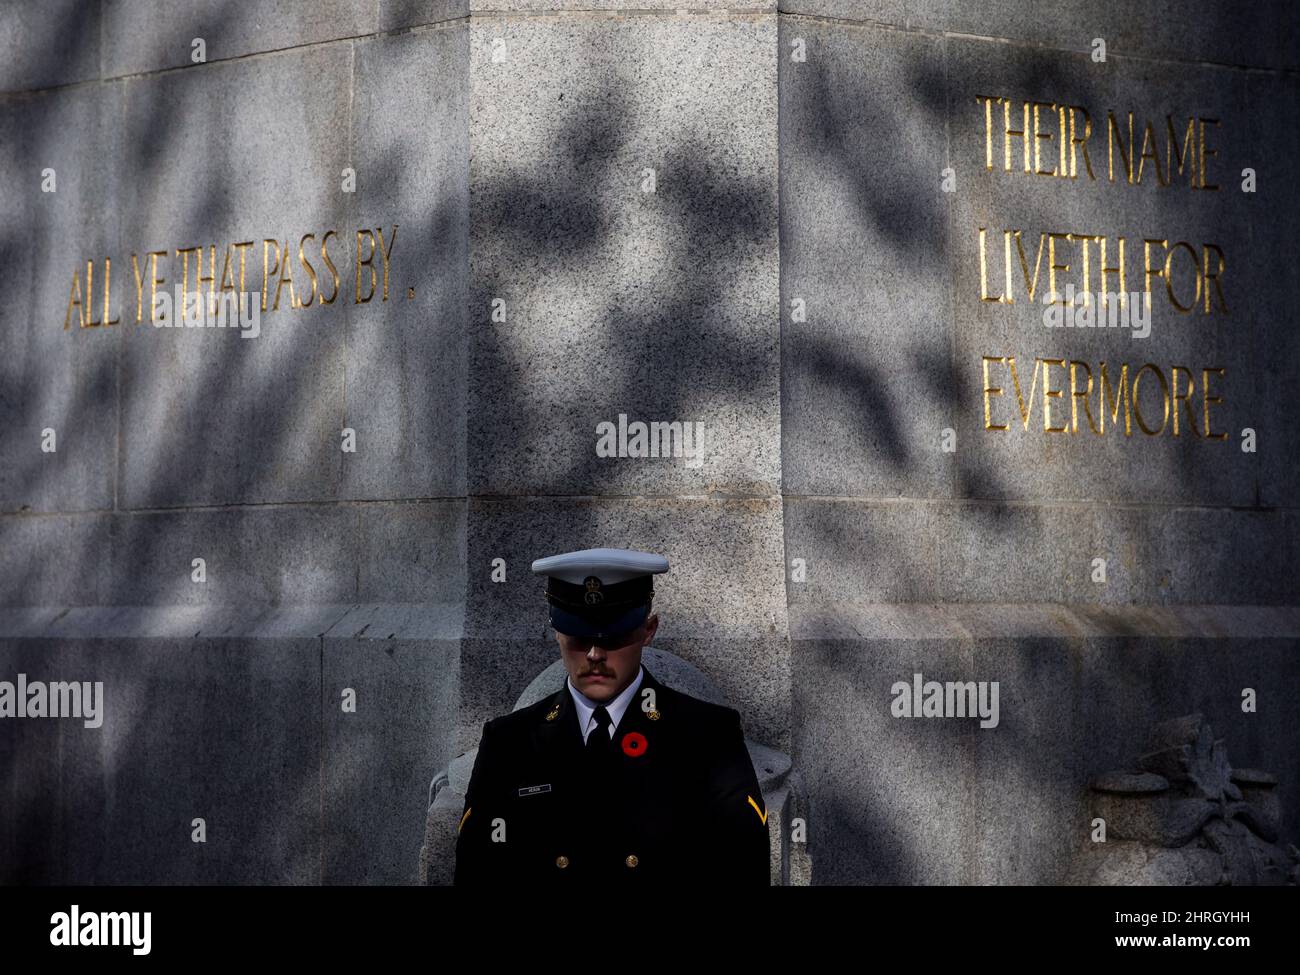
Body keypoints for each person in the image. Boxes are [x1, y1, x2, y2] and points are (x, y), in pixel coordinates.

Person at [453, 547, 770, 886]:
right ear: (556, 631)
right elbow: (479, 870)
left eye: (613, 637)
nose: (594, 654)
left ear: (648, 630)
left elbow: (741, 866)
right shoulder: (510, 742)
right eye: (578, 637)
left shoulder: (707, 736)